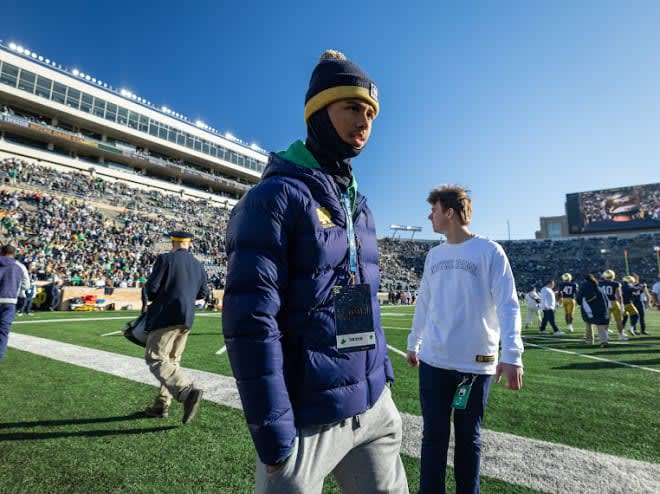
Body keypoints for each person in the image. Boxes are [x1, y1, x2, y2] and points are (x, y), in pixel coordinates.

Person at [223, 50, 408, 493]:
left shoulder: (359, 205)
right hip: (309, 417)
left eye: (370, 113)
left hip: (374, 406)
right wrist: (274, 435)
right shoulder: (274, 198)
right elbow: (251, 321)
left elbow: (359, 298)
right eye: (351, 108)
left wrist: (380, 374)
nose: (364, 122)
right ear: (318, 111)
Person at [406, 185, 523, 494]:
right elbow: (424, 302)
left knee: (468, 439)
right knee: (433, 436)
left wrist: (512, 354)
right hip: (434, 360)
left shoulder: (489, 251)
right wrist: (413, 342)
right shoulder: (434, 255)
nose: (429, 216)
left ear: (450, 212)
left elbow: (508, 304)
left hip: (476, 364)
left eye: (434, 210)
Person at [142, 231, 208, 424]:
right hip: (186, 318)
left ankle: (186, 391)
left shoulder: (165, 259)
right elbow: (203, 292)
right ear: (189, 245)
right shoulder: (198, 264)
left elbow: (152, 288)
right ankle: (161, 405)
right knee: (172, 361)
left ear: (173, 243)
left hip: (166, 316)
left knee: (155, 358)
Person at [0, 245, 28, 362]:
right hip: (10, 302)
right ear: (14, 253)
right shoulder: (20, 266)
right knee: (3, 332)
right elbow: (26, 285)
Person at [576, 274, 610, 347]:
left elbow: (579, 297)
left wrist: (579, 302)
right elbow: (606, 299)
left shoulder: (584, 286)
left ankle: (589, 340)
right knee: (600, 325)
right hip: (601, 308)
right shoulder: (599, 287)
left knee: (588, 323)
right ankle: (604, 341)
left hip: (589, 307)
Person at [598, 269, 628, 341]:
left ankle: (606, 335)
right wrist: (621, 305)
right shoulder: (615, 283)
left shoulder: (600, 283)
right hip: (614, 302)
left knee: (606, 320)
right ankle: (621, 335)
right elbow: (619, 296)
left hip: (604, 303)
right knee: (618, 320)